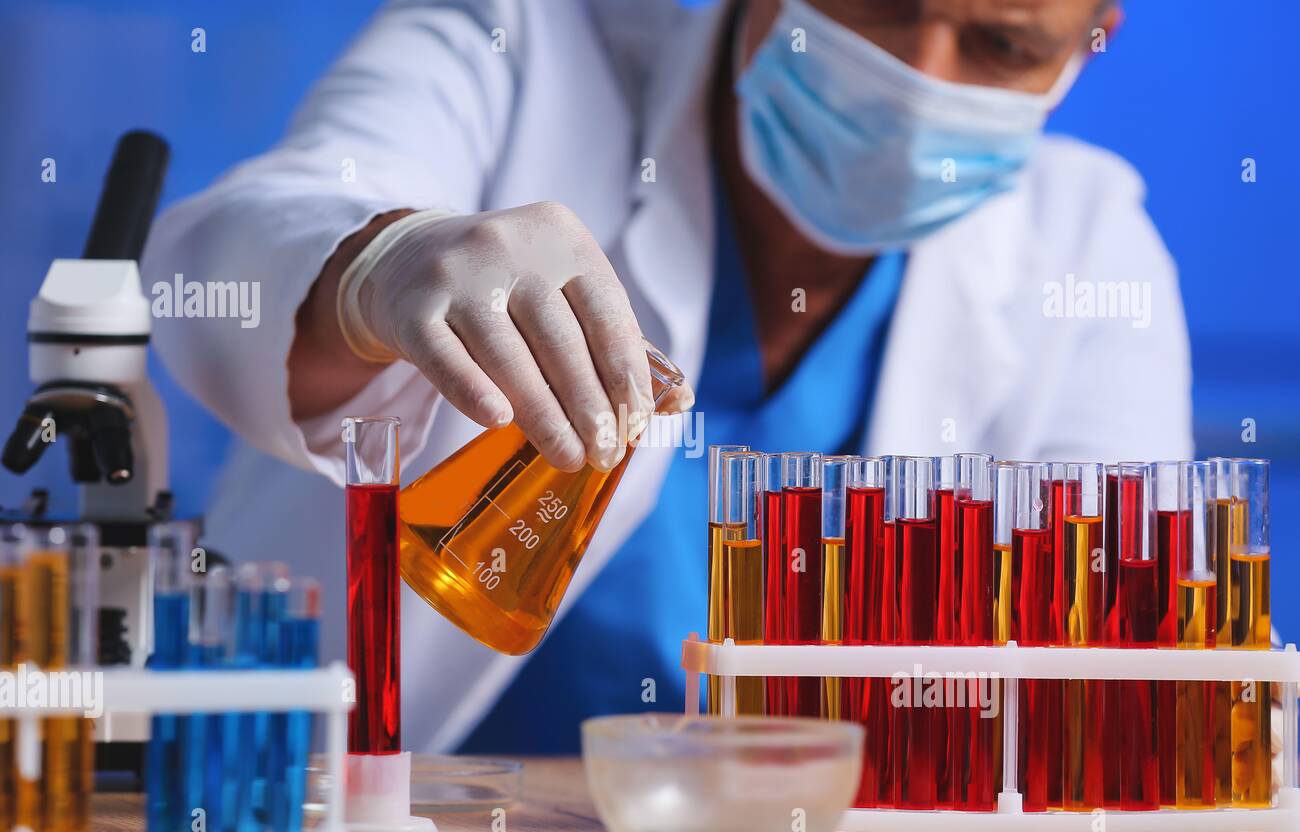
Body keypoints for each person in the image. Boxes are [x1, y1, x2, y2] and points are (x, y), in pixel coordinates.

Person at [143, 0, 1191, 753]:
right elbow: (224, 252)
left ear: (1095, 35)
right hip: (363, 822)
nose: (920, 77)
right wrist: (376, 266)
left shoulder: (1086, 242)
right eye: (878, 4)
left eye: (1004, 45)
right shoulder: (519, 44)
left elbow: (1103, 672)